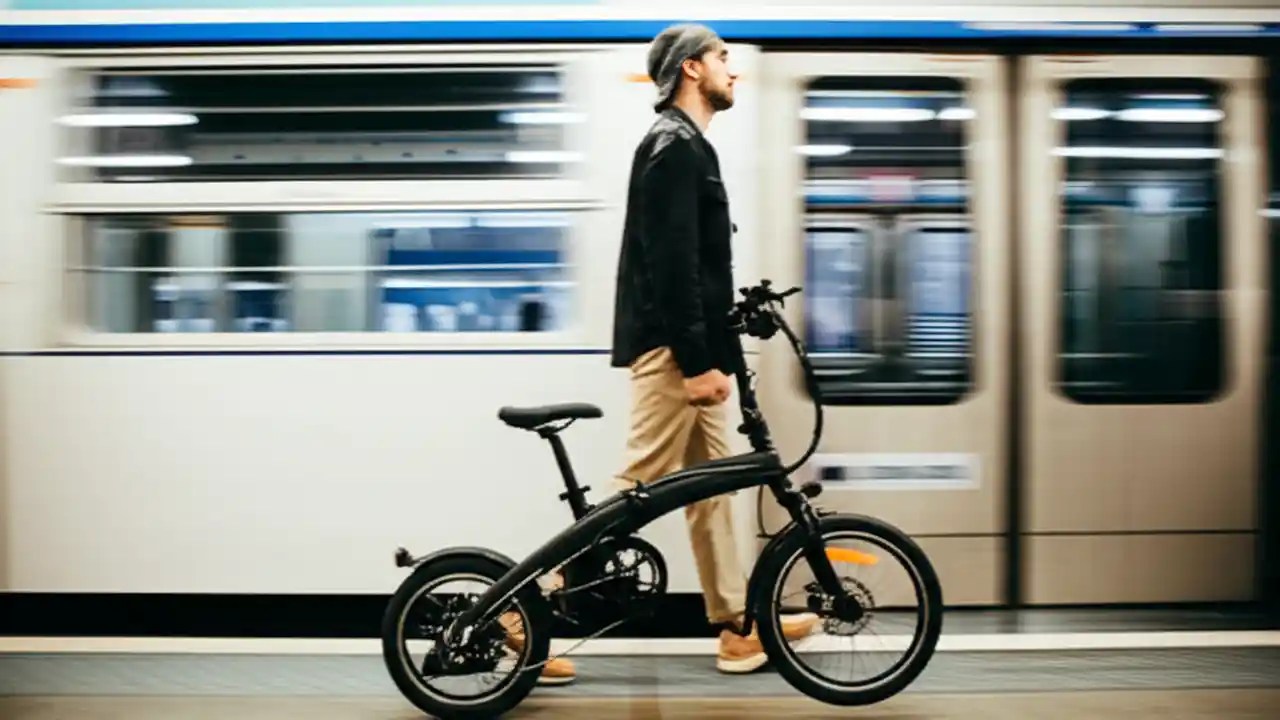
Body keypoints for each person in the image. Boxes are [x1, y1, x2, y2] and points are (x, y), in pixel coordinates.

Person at [500, 23, 817, 688]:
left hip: (689, 348)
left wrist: (722, 343)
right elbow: (671, 265)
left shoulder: (689, 145)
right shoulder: (673, 146)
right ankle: (519, 612)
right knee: (635, 491)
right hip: (673, 353)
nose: (734, 69)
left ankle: (738, 626)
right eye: (723, 57)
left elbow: (697, 265)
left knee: (716, 491)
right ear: (692, 68)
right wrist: (697, 361)